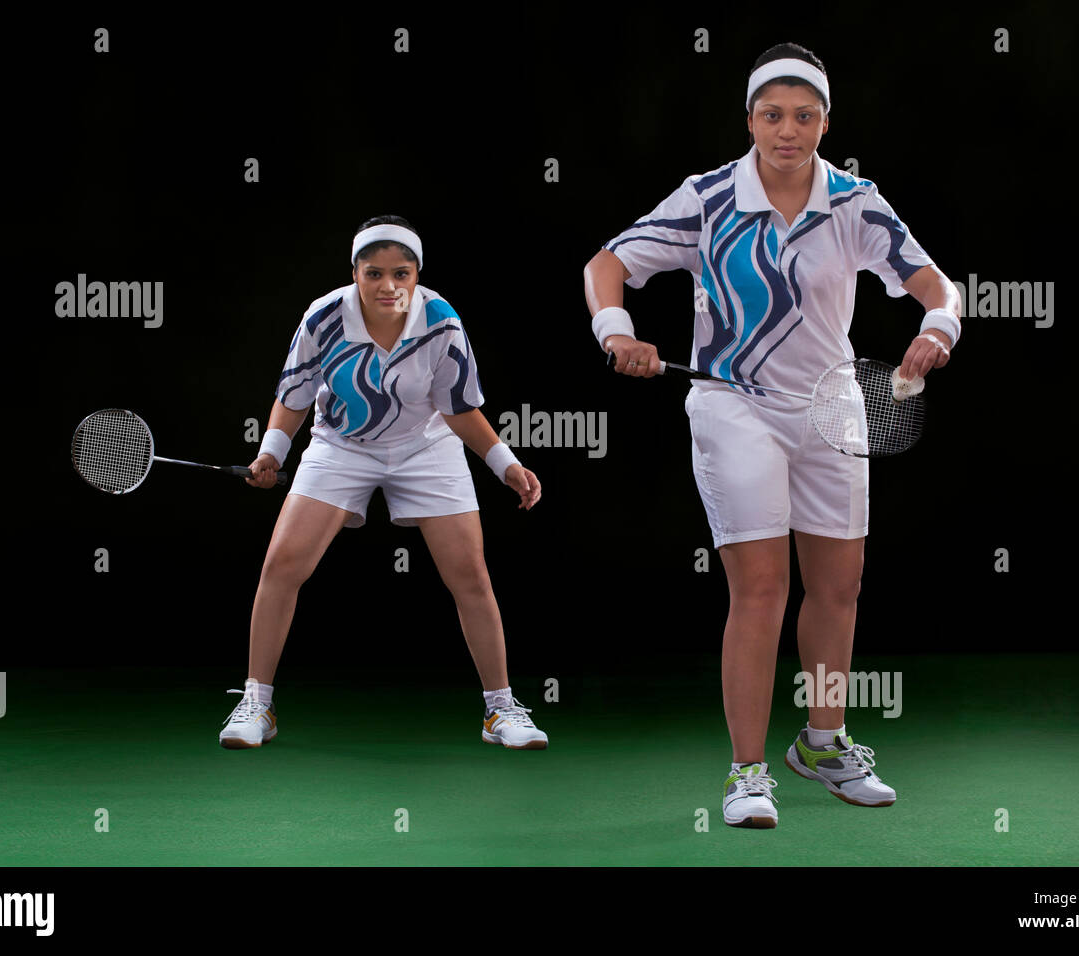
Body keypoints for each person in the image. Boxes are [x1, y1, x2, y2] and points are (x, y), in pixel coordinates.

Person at [582, 44, 960, 827]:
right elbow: (607, 262)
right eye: (772, 115)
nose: (788, 131)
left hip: (830, 405)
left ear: (827, 119)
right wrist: (616, 331)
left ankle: (822, 742)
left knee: (839, 587)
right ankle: (746, 771)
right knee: (761, 588)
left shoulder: (856, 201)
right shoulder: (708, 197)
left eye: (805, 115)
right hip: (733, 403)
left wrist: (941, 327)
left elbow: (935, 285)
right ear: (749, 117)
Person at [219, 215, 548, 751]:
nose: (388, 286)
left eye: (401, 273)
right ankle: (258, 702)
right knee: (282, 563)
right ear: (355, 274)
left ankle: (501, 709)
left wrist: (505, 464)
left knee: (470, 574)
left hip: (426, 446)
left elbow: (459, 407)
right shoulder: (324, 317)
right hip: (340, 445)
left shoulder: (441, 321)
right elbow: (294, 396)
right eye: (374, 273)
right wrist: (270, 453)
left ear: (417, 275)